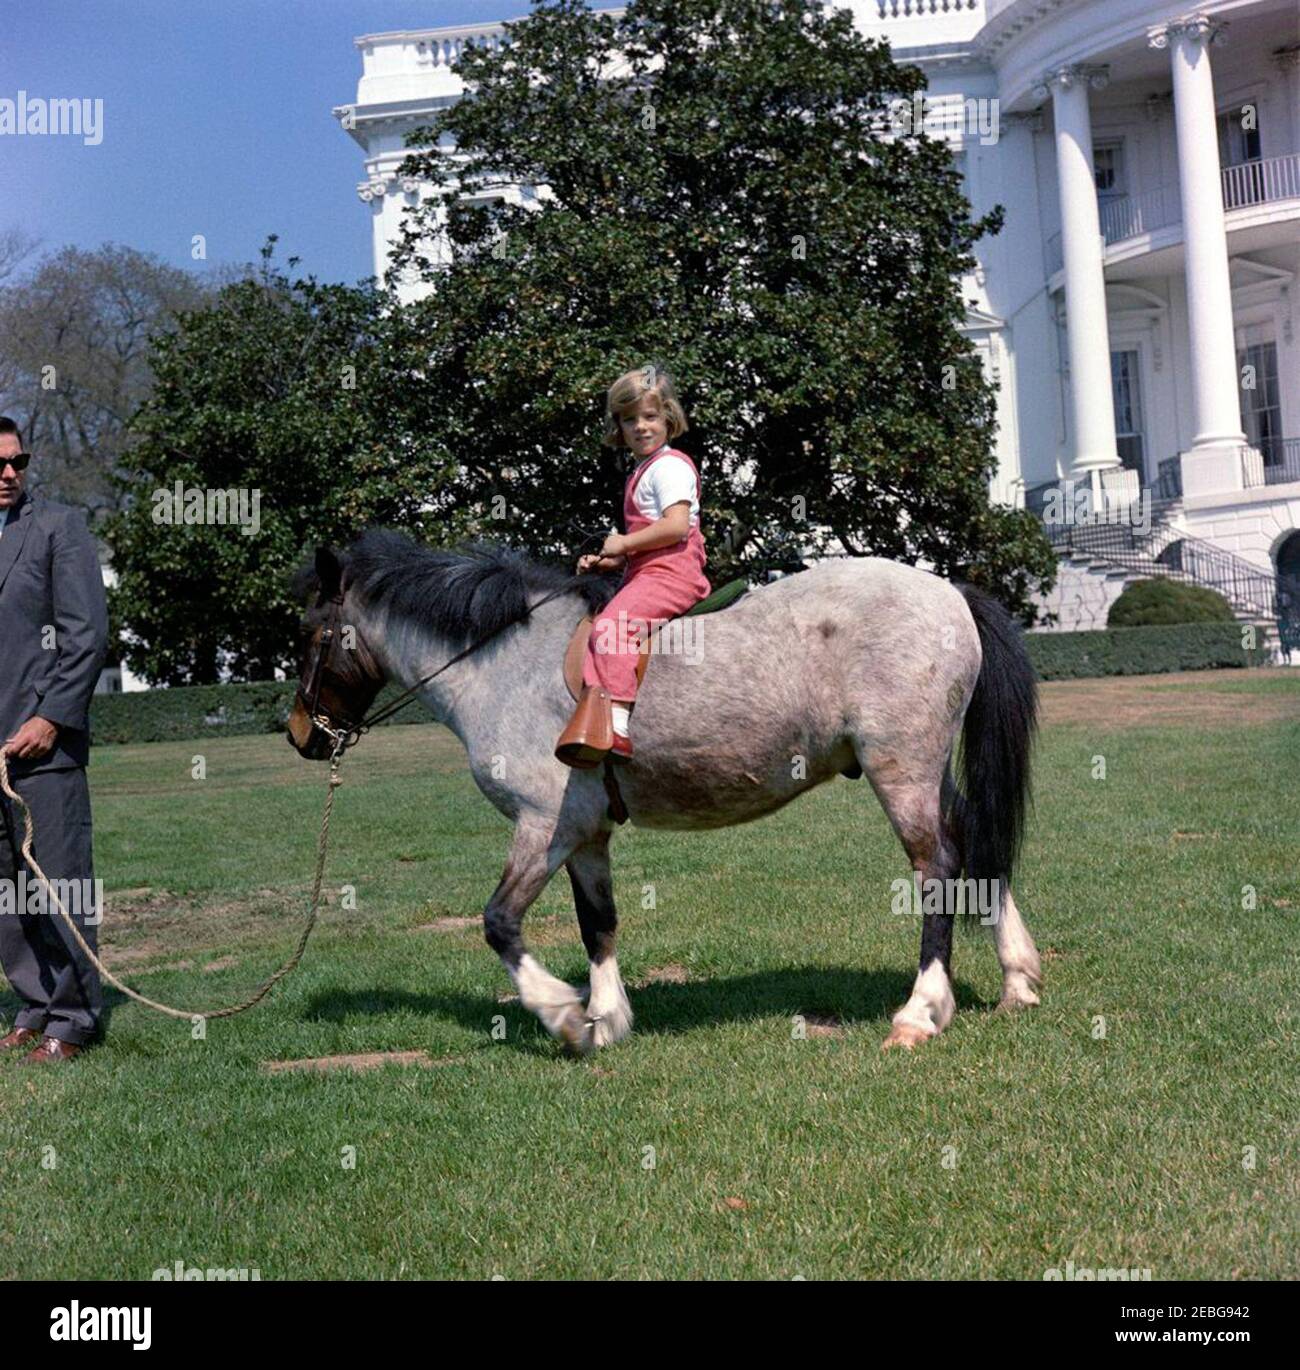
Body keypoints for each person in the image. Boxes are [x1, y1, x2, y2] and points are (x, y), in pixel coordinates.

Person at [0, 416, 109, 1063]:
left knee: (60, 885)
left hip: (45, 751)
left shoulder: (59, 529)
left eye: (17, 462)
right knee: (7, 894)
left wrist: (51, 718)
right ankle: (36, 1002)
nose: (9, 474)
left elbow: (85, 636)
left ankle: (74, 1016)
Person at [556, 368, 710, 766]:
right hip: (649, 571)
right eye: (630, 419)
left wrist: (624, 541)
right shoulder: (642, 471)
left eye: (650, 416)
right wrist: (614, 559)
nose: (641, 427)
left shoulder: (670, 467)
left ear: (669, 419)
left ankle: (616, 727)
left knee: (611, 628)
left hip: (673, 573)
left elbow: (675, 527)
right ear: (619, 426)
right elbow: (649, 538)